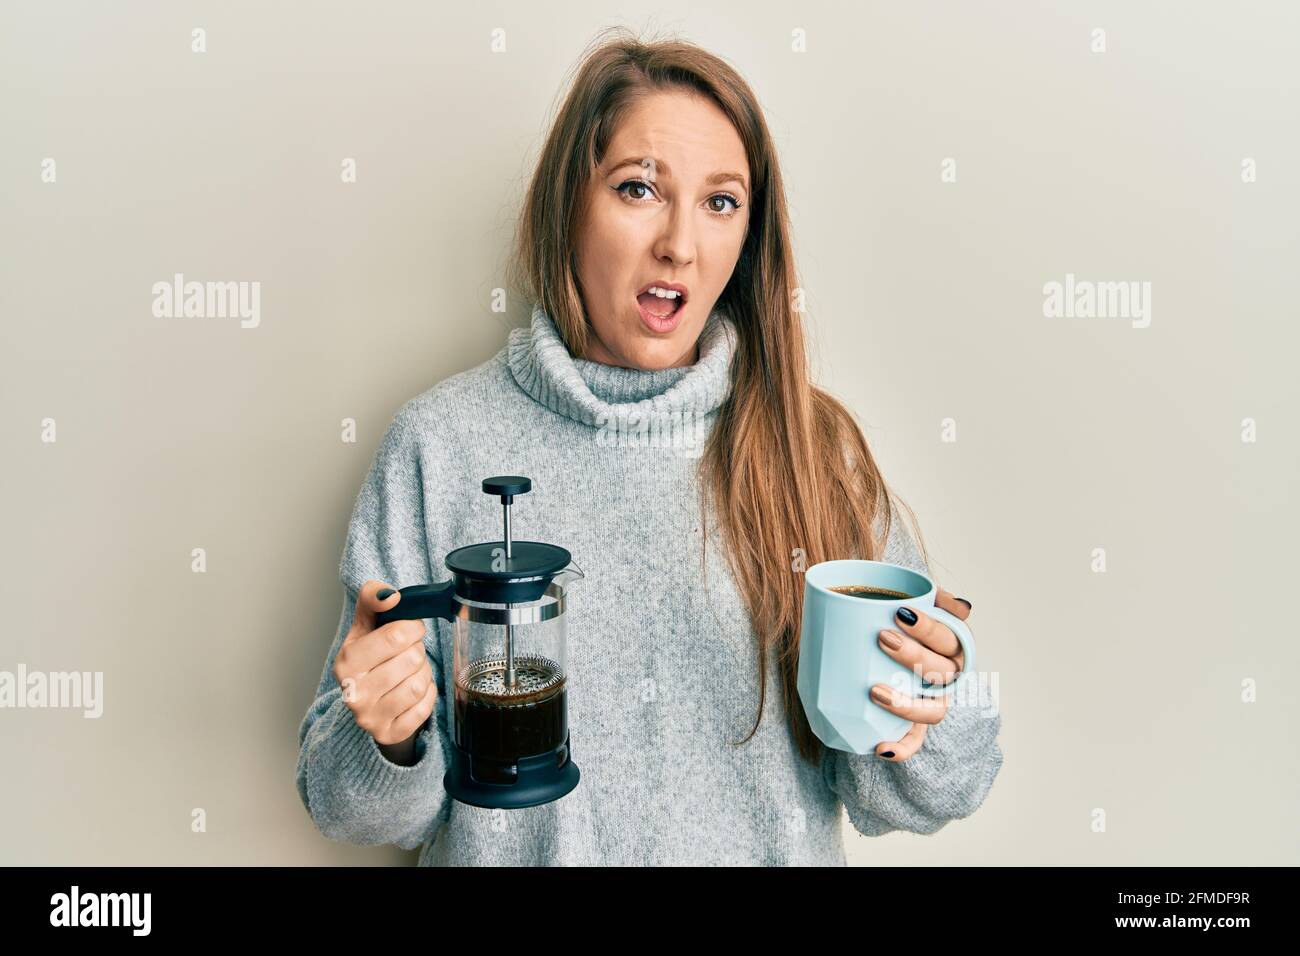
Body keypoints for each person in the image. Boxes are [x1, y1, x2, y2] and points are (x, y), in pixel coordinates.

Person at [295, 29, 1004, 866]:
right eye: (638, 189)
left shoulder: (810, 449)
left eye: (721, 202)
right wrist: (386, 735)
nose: (680, 243)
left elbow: (938, 794)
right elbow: (354, 809)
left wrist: (927, 701)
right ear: (570, 204)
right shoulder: (438, 444)